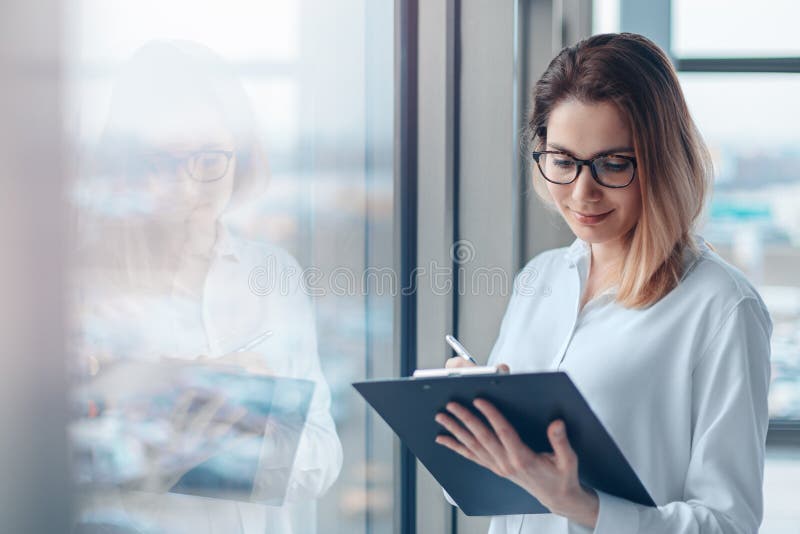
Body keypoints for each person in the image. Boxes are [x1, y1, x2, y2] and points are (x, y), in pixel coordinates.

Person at [436, 33, 772, 533]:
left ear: (662, 161)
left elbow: (728, 524)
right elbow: (489, 496)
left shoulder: (721, 308)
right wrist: (477, 427)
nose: (582, 192)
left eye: (613, 164)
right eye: (563, 162)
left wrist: (585, 507)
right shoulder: (541, 279)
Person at [68, 40, 342, 533]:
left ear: (241, 155)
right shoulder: (74, 281)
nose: (187, 186)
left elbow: (322, 461)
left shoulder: (274, 275)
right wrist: (142, 440)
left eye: (209, 159)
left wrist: (263, 417)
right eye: (162, 162)